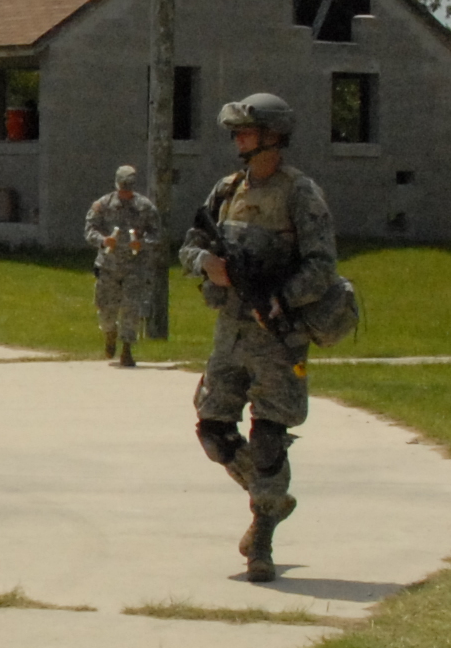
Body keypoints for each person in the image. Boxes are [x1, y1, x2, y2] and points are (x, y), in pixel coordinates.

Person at [175, 93, 341, 583]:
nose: (237, 140)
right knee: (213, 430)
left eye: (246, 132)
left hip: (278, 335)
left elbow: (322, 266)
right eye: (237, 133)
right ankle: (270, 498)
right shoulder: (226, 190)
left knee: (268, 438)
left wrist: (281, 300)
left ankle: (262, 538)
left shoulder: (299, 194)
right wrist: (207, 264)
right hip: (230, 331)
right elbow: (190, 244)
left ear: (272, 136)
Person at [84, 163, 167, 366]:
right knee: (106, 308)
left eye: (129, 187)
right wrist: (103, 241)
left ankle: (127, 349)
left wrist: (143, 243)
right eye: (123, 187)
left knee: (131, 307)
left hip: (134, 266)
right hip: (108, 265)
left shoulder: (145, 207)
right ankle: (110, 333)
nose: (125, 191)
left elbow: (157, 234)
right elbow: (89, 230)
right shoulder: (103, 205)